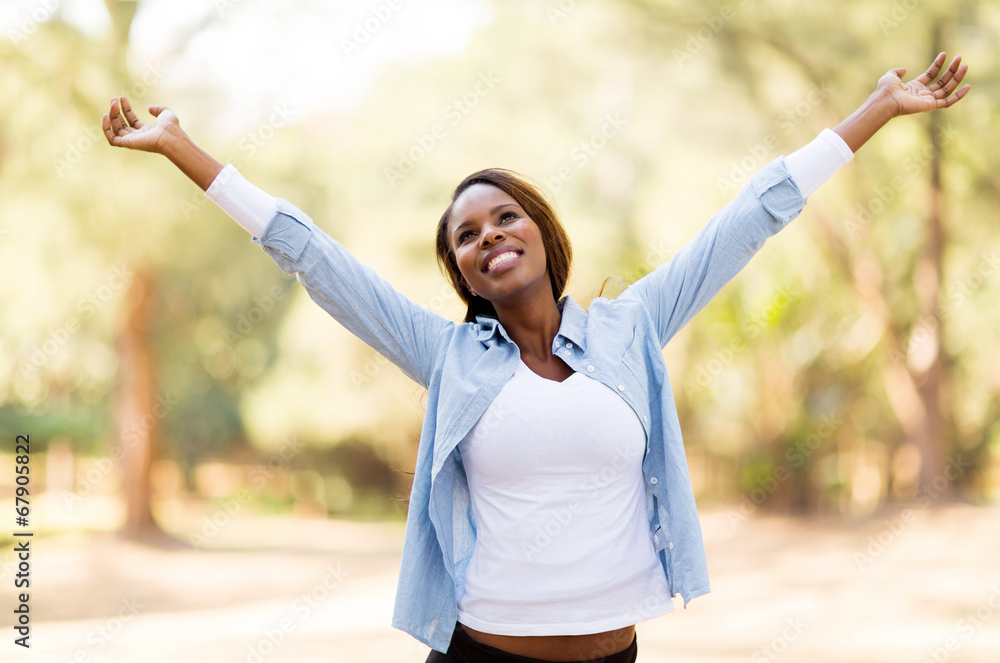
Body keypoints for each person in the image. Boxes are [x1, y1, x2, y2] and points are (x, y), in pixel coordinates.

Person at [103, 53, 969, 662]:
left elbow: (751, 214)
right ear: (463, 272)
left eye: (504, 217)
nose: (489, 237)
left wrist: (879, 110)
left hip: (613, 654)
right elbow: (313, 255)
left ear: (543, 233)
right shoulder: (446, 355)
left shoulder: (634, 326)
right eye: (466, 236)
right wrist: (184, 148)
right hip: (484, 651)